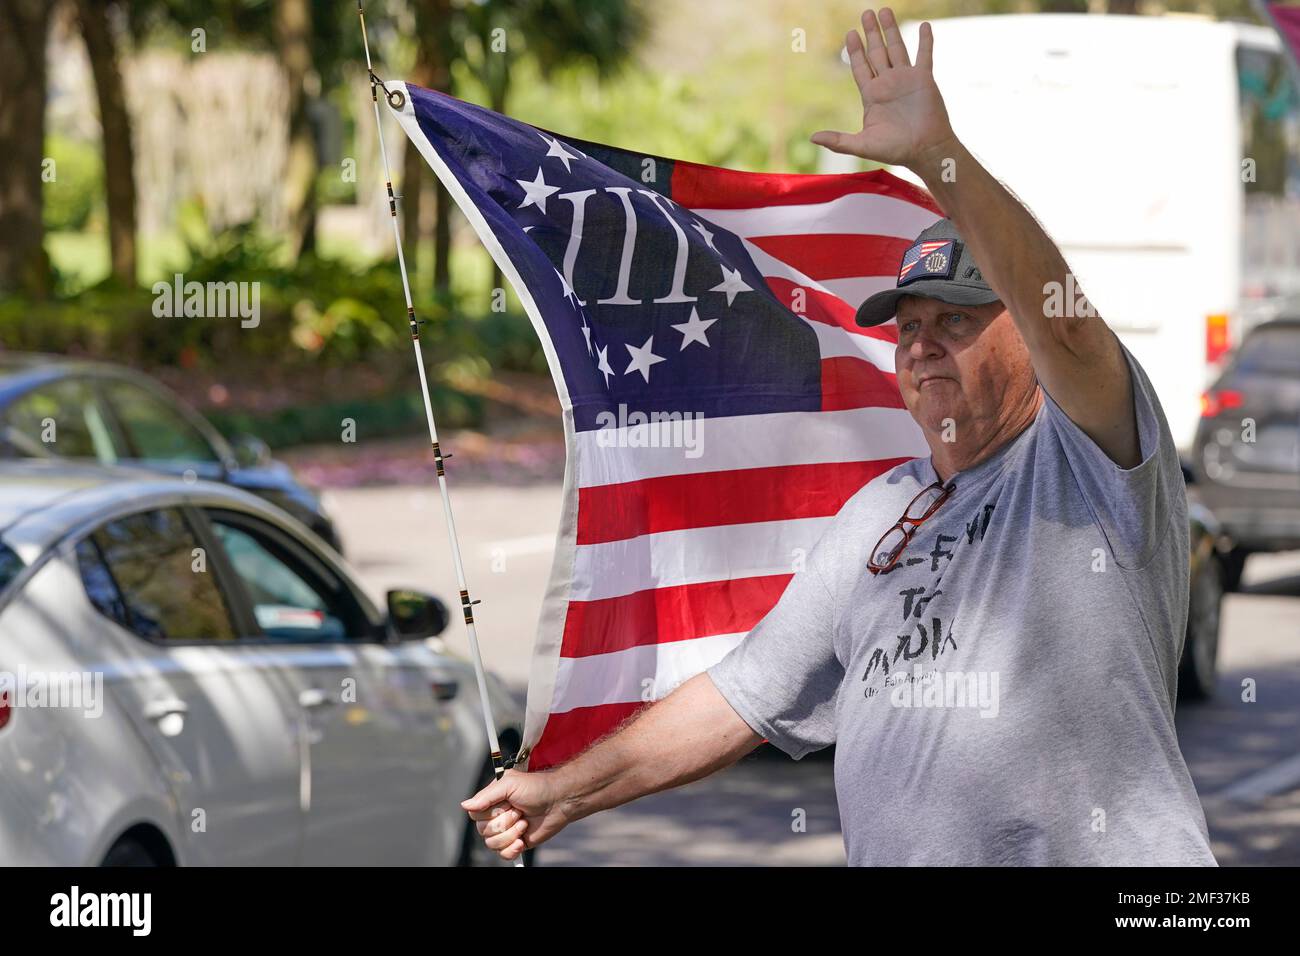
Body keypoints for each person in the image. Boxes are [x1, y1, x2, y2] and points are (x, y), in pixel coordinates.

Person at [463, 7, 1217, 865]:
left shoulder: (1088, 456)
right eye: (909, 324)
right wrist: (561, 793)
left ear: (1025, 335)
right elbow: (742, 697)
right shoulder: (881, 513)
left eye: (959, 319)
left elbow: (1072, 328)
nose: (925, 342)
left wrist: (939, 156)